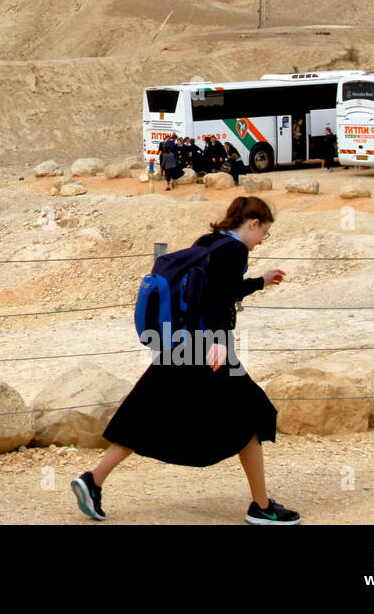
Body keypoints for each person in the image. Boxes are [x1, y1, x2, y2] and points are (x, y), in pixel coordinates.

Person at [71, 196, 297, 525]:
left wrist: (259, 282)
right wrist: (220, 341)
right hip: (207, 350)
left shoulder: (210, 242)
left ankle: (93, 480)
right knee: (253, 413)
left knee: (146, 412)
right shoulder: (236, 251)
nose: (262, 239)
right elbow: (218, 299)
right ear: (253, 224)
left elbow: (217, 289)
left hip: (180, 344)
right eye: (264, 232)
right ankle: (261, 506)